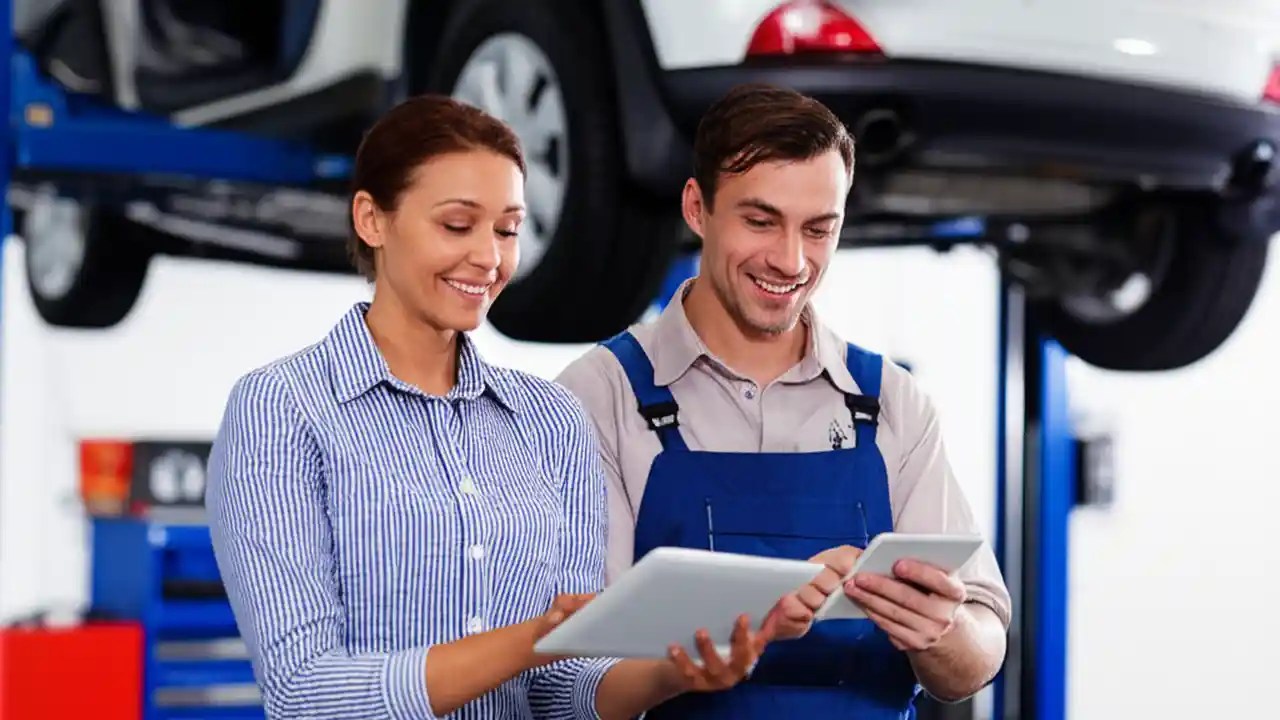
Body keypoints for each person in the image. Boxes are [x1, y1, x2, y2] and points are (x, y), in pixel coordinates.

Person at [204, 94, 777, 720]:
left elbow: (565, 689)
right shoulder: (282, 410)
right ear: (371, 219)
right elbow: (306, 690)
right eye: (457, 225)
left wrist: (670, 673)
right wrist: (526, 642)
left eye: (507, 230)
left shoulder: (552, 421)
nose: (489, 257)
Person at [555, 83, 1012, 718]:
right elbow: (571, 670)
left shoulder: (890, 404)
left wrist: (940, 631)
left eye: (819, 229)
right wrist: (733, 635)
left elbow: (980, 652)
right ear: (697, 207)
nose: (791, 260)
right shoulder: (597, 396)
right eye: (760, 221)